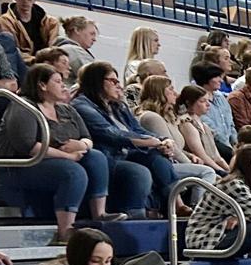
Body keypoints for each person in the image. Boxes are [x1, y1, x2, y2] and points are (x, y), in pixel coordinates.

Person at [0, 64, 132, 238]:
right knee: (73, 172)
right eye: (58, 82)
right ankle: (65, 230)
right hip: (20, 164)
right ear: (42, 85)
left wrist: (81, 145)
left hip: (60, 158)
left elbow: (87, 137)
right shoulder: (23, 107)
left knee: (96, 157)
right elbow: (28, 146)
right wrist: (68, 156)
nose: (63, 86)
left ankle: (99, 212)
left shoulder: (66, 109)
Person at [72, 61, 179, 217]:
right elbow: (110, 133)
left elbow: (137, 129)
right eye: (113, 81)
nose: (119, 86)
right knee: (139, 173)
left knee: (158, 158)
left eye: (118, 81)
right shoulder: (82, 105)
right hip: (109, 156)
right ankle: (134, 220)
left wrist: (163, 140)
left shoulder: (118, 106)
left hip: (128, 153)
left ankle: (177, 207)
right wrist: (148, 142)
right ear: (97, 82)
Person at [133, 75, 220, 207]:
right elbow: (169, 148)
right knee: (207, 172)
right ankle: (197, 209)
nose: (175, 93)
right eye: (171, 89)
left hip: (173, 162)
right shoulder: (152, 117)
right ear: (160, 92)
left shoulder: (167, 116)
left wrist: (190, 155)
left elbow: (177, 146)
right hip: (163, 166)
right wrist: (190, 163)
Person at [175, 84, 231, 173]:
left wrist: (229, 170)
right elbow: (201, 155)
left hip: (214, 166)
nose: (208, 104)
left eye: (208, 100)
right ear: (189, 103)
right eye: (202, 101)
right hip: (204, 168)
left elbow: (216, 156)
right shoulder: (187, 123)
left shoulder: (204, 124)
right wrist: (221, 172)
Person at [190, 62, 237, 156]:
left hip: (229, 146)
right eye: (217, 77)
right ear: (205, 78)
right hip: (213, 146)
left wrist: (236, 143)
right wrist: (231, 150)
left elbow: (231, 125)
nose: (221, 81)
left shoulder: (221, 97)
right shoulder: (196, 100)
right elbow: (212, 131)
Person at [51, 16, 95, 86]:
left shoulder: (58, 48)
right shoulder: (74, 50)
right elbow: (95, 77)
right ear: (77, 30)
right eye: (92, 34)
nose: (94, 39)